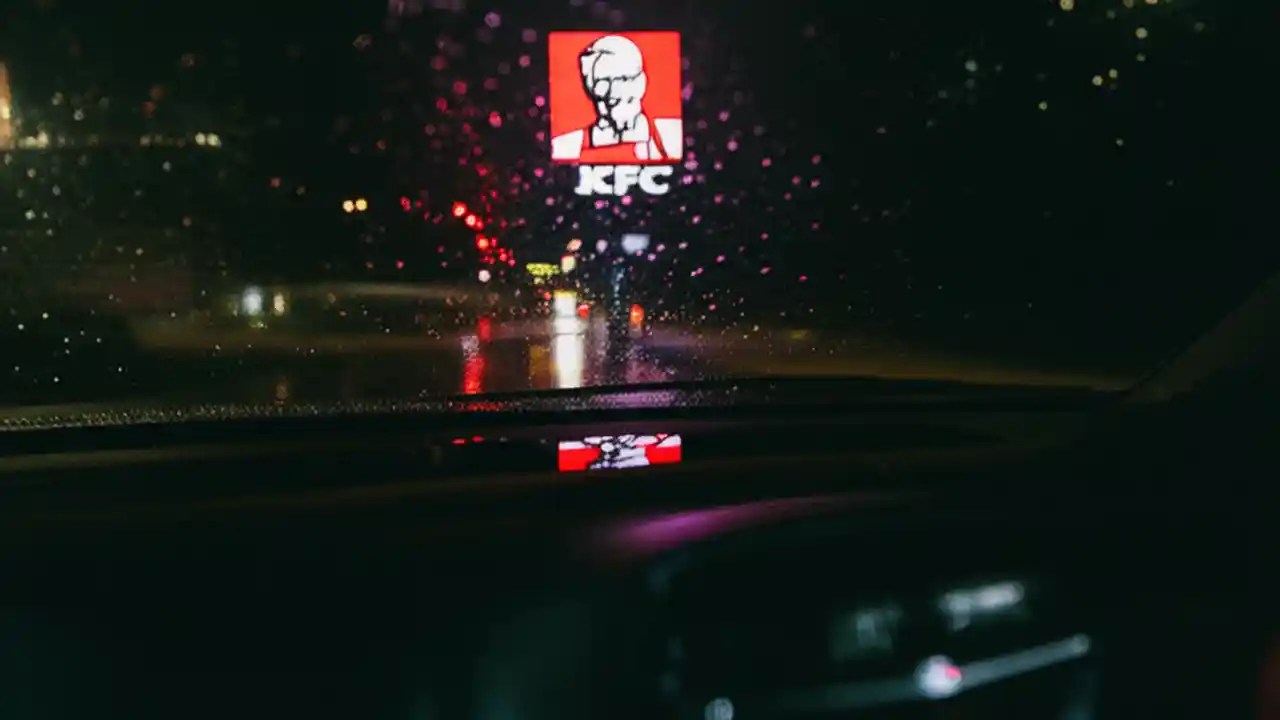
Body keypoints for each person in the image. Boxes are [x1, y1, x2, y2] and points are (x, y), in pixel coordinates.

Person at [551, 35, 682, 163]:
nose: (614, 90)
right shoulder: (564, 147)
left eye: (624, 78)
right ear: (590, 88)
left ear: (641, 82)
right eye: (603, 81)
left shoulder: (672, 135)